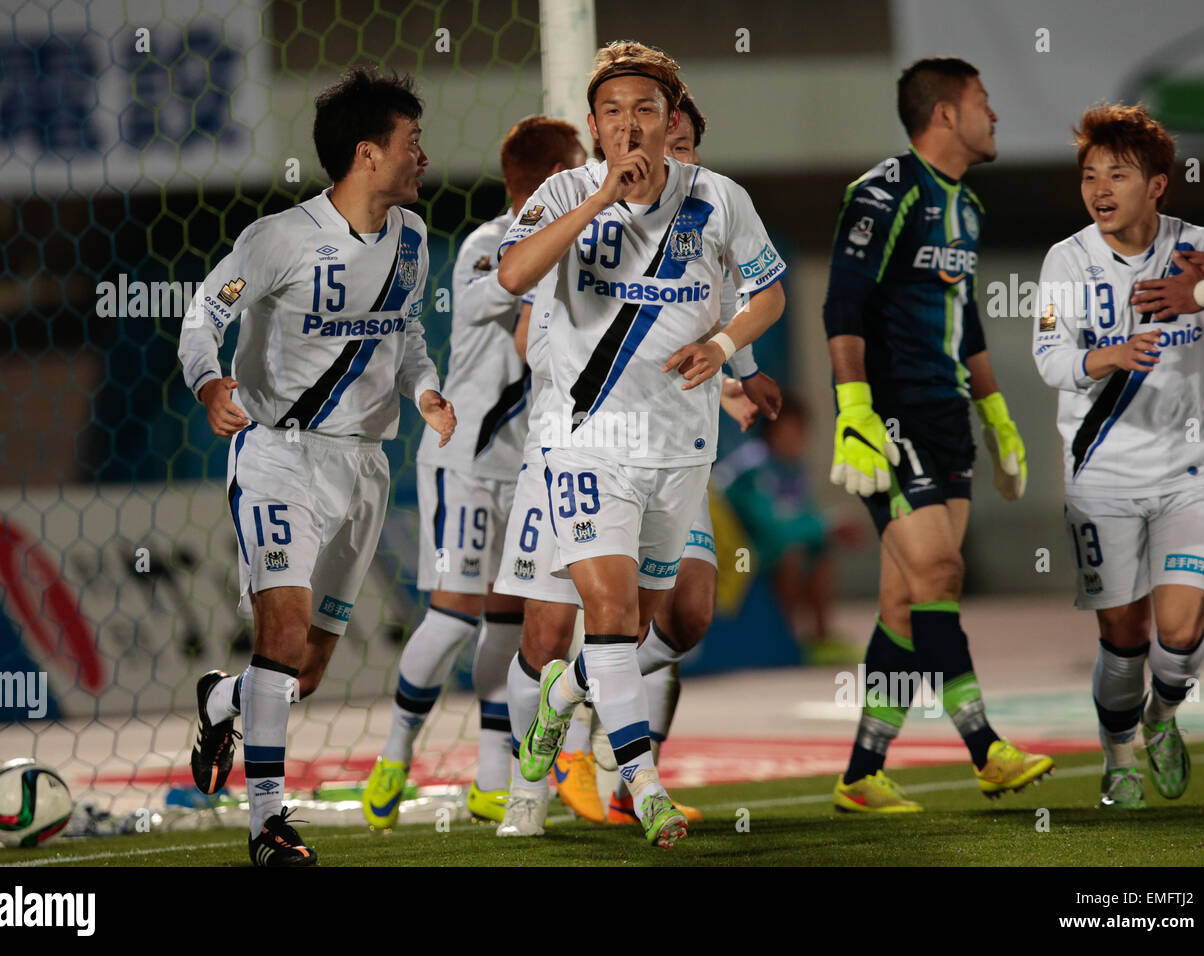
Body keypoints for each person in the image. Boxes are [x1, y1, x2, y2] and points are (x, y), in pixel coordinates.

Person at [496, 40, 787, 847]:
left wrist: (727, 350)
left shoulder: (720, 199)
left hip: (679, 450)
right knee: (610, 614)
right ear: (594, 125)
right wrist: (597, 202)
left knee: (647, 624)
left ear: (672, 123)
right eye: (614, 112)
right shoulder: (563, 191)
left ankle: (551, 720)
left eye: (646, 110)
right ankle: (644, 783)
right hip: (579, 443)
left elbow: (769, 294)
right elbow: (512, 277)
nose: (629, 125)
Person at [177, 69, 454, 865]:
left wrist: (427, 392)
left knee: (306, 669)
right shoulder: (279, 239)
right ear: (368, 153)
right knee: (283, 628)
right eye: (411, 142)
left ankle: (223, 700)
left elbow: (406, 339)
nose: (423, 156)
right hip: (278, 457)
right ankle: (267, 823)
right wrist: (209, 380)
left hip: (364, 468)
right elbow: (207, 311)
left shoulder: (411, 239)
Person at [823, 57, 1051, 814]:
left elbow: (970, 321)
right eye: (985, 101)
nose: (996, 115)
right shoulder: (884, 192)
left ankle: (861, 774)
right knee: (941, 574)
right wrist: (854, 414)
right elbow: (842, 306)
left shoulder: (969, 209)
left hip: (948, 420)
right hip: (892, 421)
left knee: (905, 605)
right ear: (947, 114)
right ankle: (985, 749)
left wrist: (997, 419)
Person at [361, 116, 586, 829]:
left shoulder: (576, 249)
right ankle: (395, 751)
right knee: (455, 615)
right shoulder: (491, 249)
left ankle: (492, 778)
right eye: (580, 164)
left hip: (522, 471)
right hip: (464, 463)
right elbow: (529, 336)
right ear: (555, 177)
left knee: (509, 621)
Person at [1033, 103, 1204, 808]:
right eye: (1090, 175)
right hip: (1101, 476)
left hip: (1187, 473)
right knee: (1124, 640)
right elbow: (1049, 356)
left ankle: (1160, 720)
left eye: (1117, 175)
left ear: (1157, 185)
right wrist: (1108, 356)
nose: (1099, 189)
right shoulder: (1067, 258)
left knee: (1180, 635)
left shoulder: (1197, 247)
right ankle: (1116, 756)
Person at [715, 395, 862, 663]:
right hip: (735, 558)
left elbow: (800, 519)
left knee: (818, 549)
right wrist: (827, 524)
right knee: (790, 554)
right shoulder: (754, 468)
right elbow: (773, 529)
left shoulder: (794, 467)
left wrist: (825, 529)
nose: (798, 438)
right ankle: (784, 639)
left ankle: (820, 637)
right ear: (772, 431)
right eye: (791, 430)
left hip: (760, 549)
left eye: (802, 430)